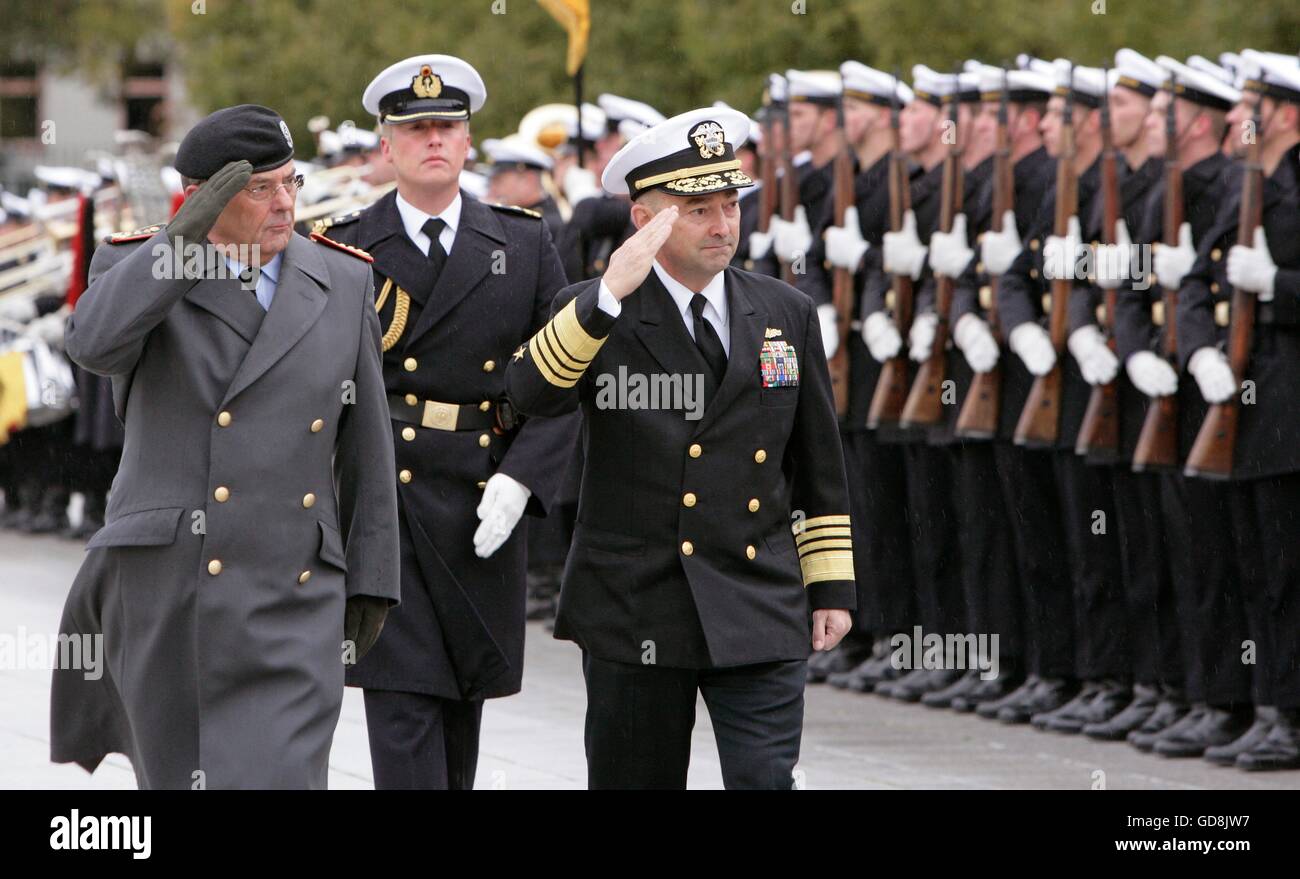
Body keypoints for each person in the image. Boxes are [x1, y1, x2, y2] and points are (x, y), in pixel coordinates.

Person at [506, 107, 856, 789]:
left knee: (764, 778)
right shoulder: (594, 310)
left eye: (730, 204)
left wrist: (831, 585)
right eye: (698, 209)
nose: (724, 225)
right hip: (636, 601)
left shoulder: (784, 311)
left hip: (757, 594)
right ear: (644, 217)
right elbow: (530, 393)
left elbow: (817, 463)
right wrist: (608, 293)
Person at [50, 104, 399, 789]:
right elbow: (92, 345)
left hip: (294, 592)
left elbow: (368, 446)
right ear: (203, 198)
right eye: (259, 189)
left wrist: (373, 576)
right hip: (173, 591)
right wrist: (181, 242)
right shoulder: (141, 268)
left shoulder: (344, 279)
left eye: (291, 182)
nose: (285, 204)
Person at [320, 54, 573, 790]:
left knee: (461, 727)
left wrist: (524, 478)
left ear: (468, 142)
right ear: (387, 145)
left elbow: (563, 379)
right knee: (402, 719)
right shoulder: (344, 244)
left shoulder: (522, 244)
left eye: (448, 126)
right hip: (386, 507)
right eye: (416, 128)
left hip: (482, 497)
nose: (434, 139)